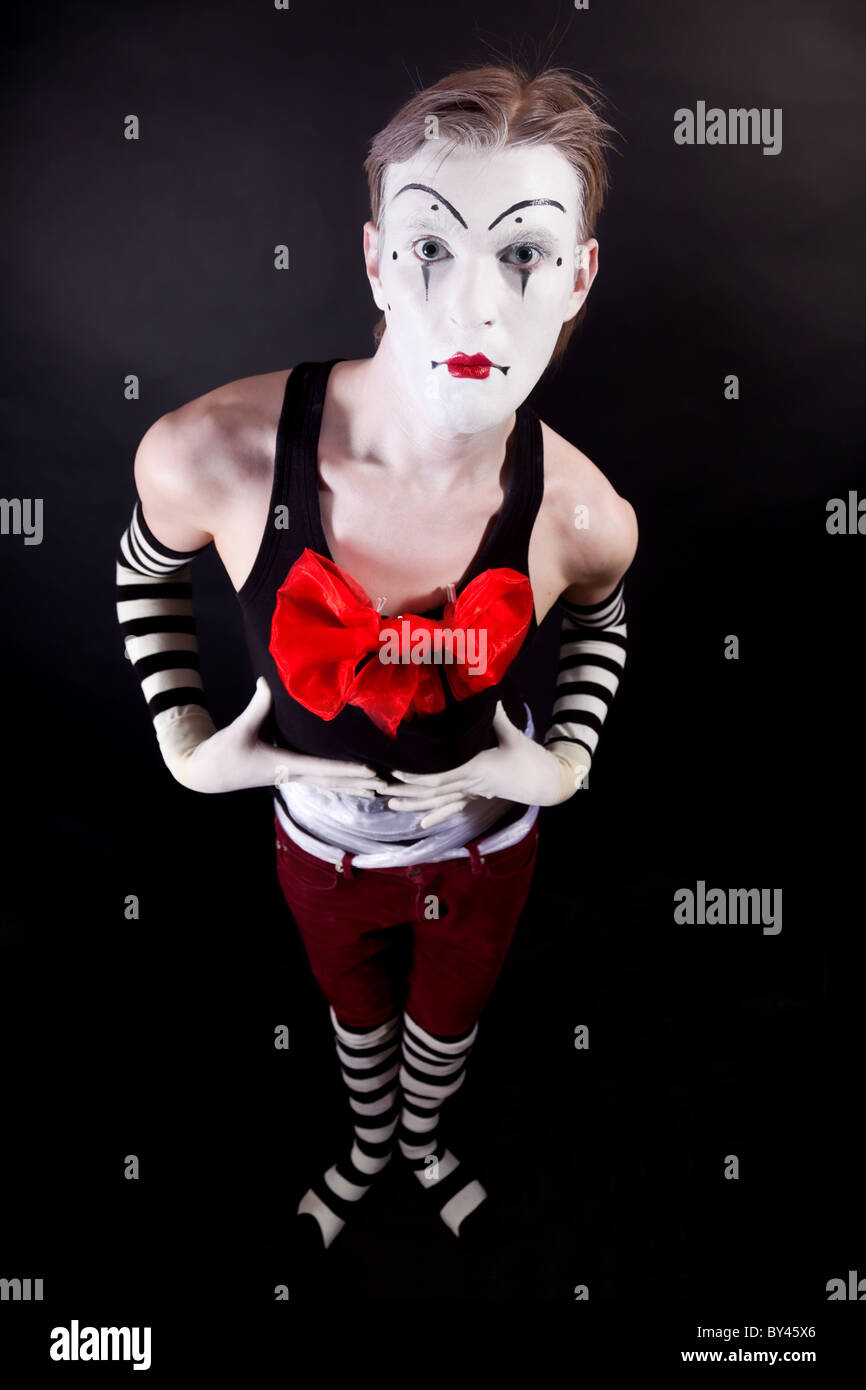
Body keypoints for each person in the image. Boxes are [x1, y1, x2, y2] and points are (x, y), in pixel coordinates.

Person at [115, 62, 637, 1259]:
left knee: (445, 1020)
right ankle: (366, 1143)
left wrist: (561, 763)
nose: (473, 311)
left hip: (486, 856)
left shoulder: (584, 516)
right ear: (369, 262)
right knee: (353, 1011)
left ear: (576, 280)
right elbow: (143, 569)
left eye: (521, 255)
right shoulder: (212, 453)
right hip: (320, 848)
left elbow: (601, 620)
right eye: (430, 250)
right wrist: (185, 745)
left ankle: (424, 1138)